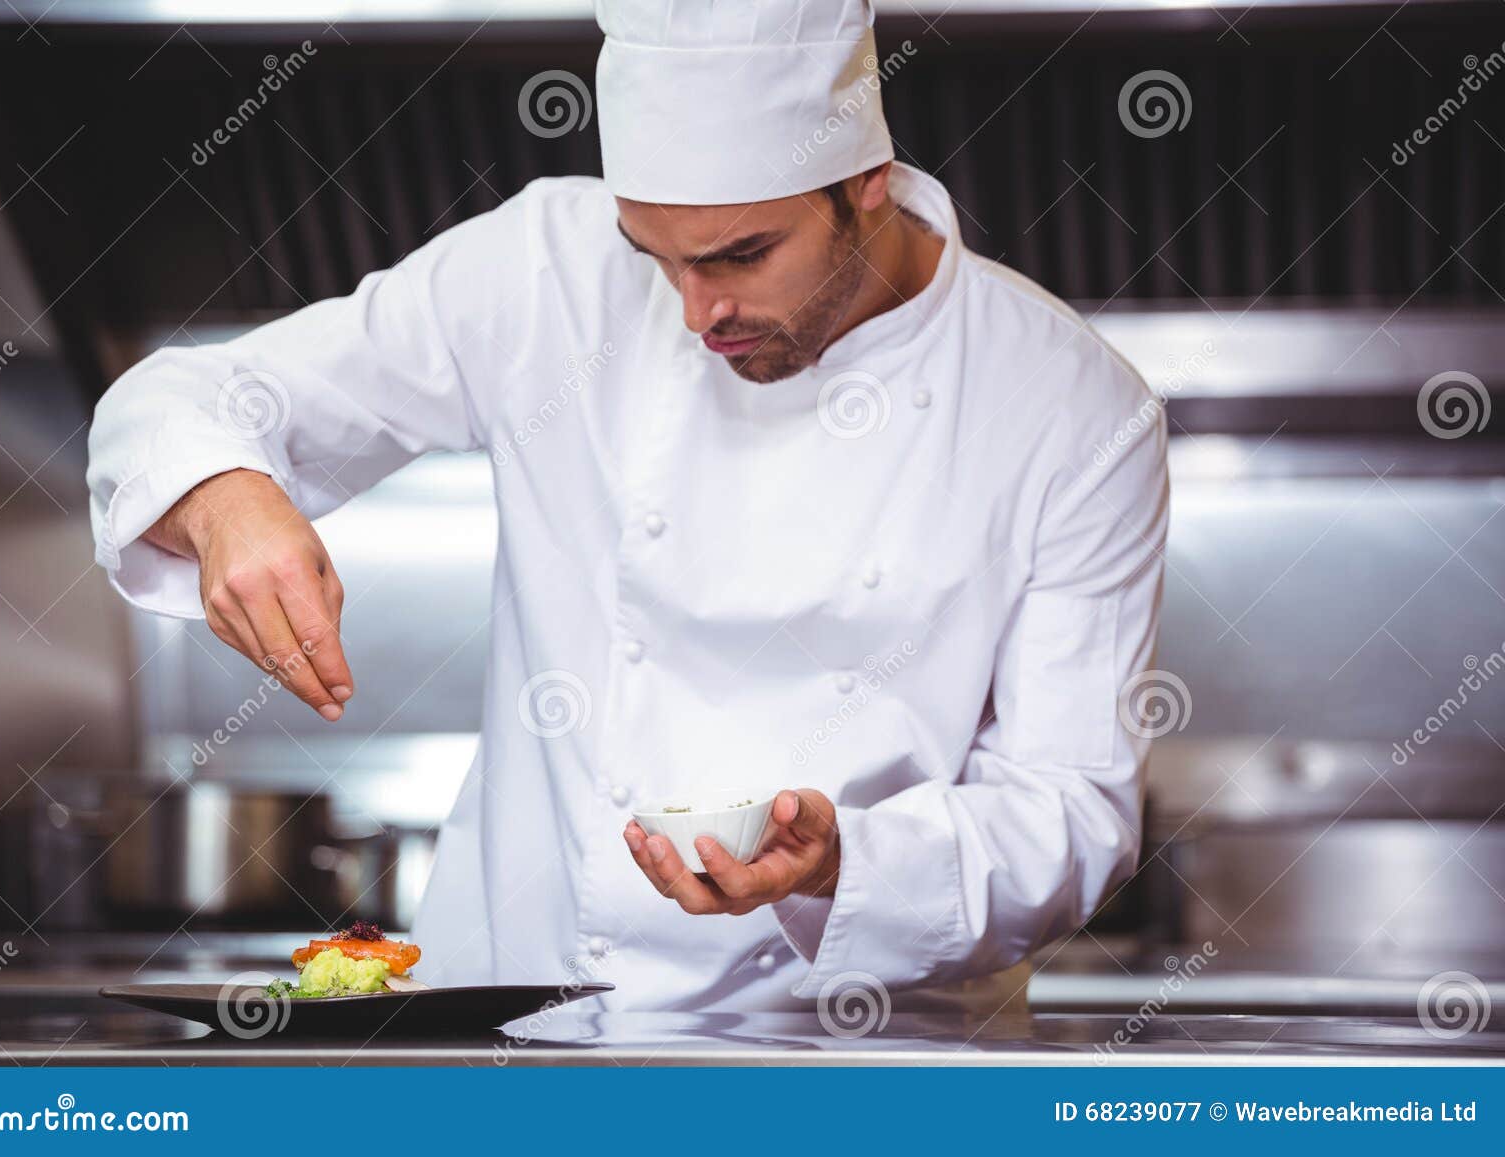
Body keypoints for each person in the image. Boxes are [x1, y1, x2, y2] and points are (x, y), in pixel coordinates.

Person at [86, 0, 1169, 1012]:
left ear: (868, 181)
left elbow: (1071, 816)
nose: (698, 313)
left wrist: (847, 863)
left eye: (742, 253)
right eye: (654, 257)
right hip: (525, 1036)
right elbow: (186, 396)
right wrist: (226, 496)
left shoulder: (1072, 406)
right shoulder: (545, 270)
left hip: (860, 1062)